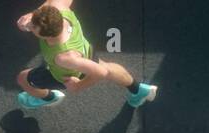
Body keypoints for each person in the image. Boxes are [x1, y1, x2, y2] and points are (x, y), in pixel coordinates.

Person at [14, 2, 156, 111]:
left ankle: (48, 98)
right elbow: (49, 4)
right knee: (106, 66)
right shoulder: (59, 7)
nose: (30, 26)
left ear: (47, 36)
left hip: (63, 74)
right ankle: (139, 90)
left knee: (22, 78)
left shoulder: (63, 57)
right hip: (85, 52)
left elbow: (100, 73)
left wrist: (77, 86)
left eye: (33, 28)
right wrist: (33, 15)